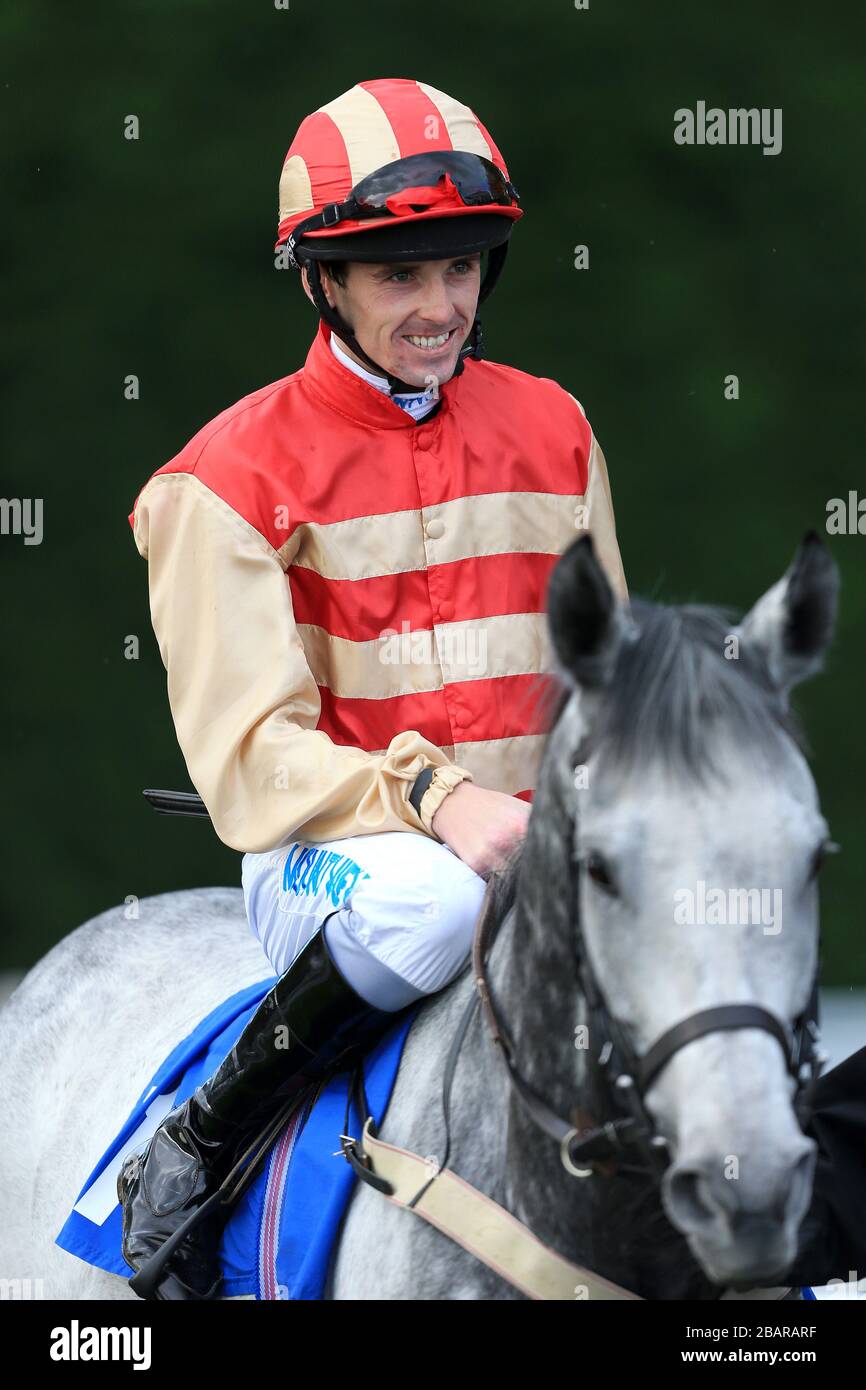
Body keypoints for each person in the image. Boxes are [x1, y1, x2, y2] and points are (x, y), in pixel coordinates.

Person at [117, 76, 628, 1299]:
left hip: (532, 843)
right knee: (441, 904)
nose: (441, 304)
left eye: (460, 268)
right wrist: (441, 800)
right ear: (323, 281)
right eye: (400, 275)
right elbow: (251, 758)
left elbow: (607, 679)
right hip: (338, 860)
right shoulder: (219, 480)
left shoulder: (554, 428)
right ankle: (204, 1140)